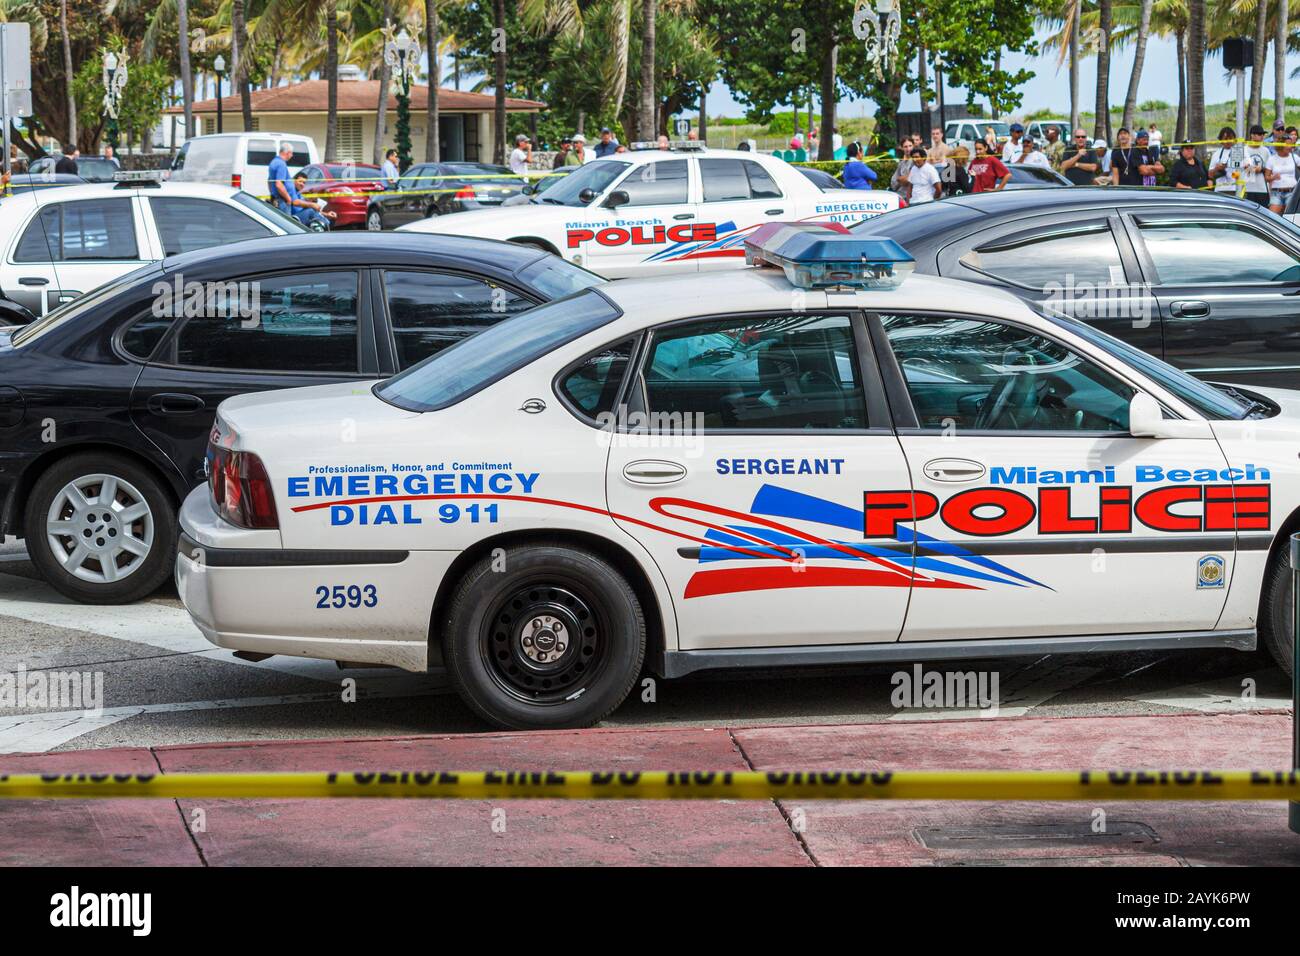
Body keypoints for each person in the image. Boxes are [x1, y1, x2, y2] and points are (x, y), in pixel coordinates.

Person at [1241, 124, 1271, 205]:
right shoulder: (1244, 150)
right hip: (1247, 189)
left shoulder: (1266, 151)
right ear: (1252, 135)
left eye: (1263, 134)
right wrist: (1250, 168)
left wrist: (1261, 169)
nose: (1262, 136)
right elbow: (1239, 167)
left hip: (1262, 189)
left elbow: (1270, 169)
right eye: (1260, 134)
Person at [1266, 138, 1298, 212]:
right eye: (1287, 144)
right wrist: (1273, 177)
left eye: (1290, 144)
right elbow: (1266, 177)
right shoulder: (1272, 159)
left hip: (1292, 192)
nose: (1290, 146)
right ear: (1280, 145)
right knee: (1272, 217)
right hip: (1276, 193)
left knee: (1290, 217)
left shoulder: (1294, 157)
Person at [1208, 126, 1241, 195]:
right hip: (1219, 190)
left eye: (1230, 138)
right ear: (1221, 140)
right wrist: (1217, 169)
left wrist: (1228, 170)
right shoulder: (1216, 154)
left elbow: (1239, 175)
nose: (1228, 141)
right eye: (1225, 138)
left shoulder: (1237, 152)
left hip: (1234, 190)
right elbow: (1210, 175)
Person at [268, 142, 294, 212]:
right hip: (282, 200)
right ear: (287, 152)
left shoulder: (274, 161)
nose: (292, 155)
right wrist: (288, 198)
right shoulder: (281, 164)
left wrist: (273, 193)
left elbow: (269, 181)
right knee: (286, 222)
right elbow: (279, 184)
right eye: (291, 153)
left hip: (276, 198)